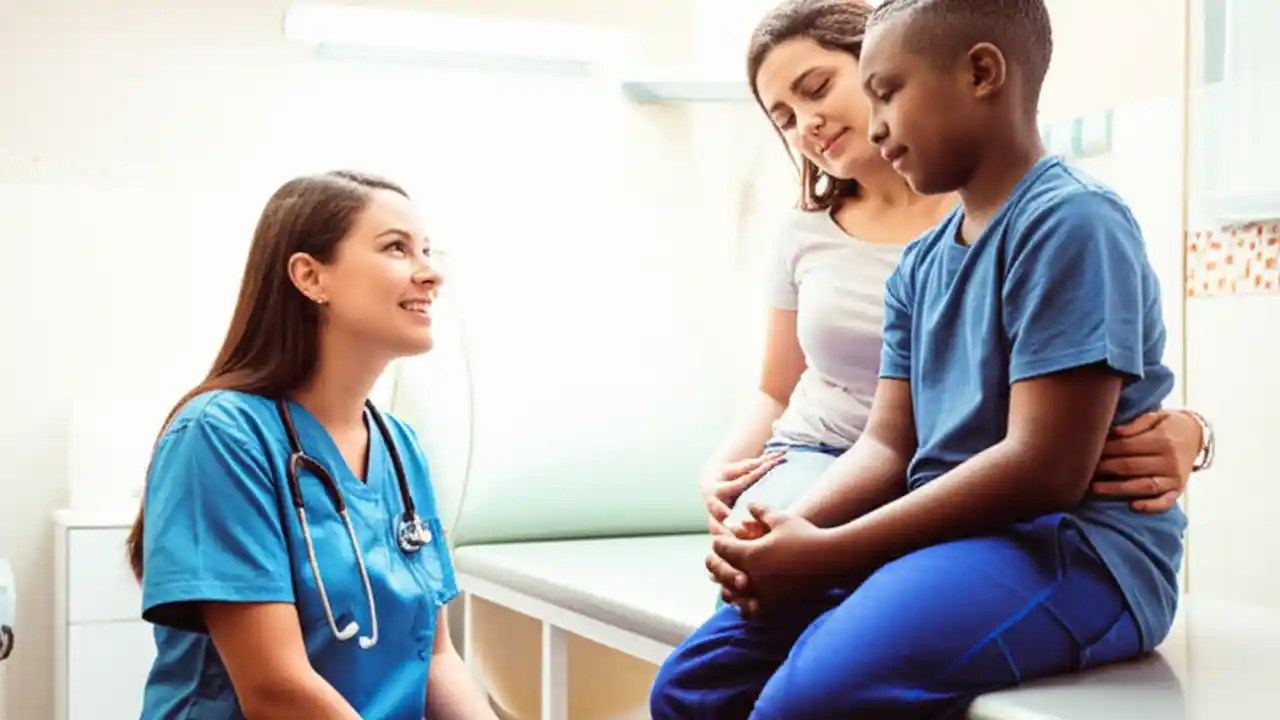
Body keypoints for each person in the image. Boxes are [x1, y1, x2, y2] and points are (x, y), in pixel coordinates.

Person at [653, 1, 1193, 717]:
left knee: (803, 703)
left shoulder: (1074, 222)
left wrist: (828, 554)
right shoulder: (920, 268)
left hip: (1077, 553)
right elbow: (886, 444)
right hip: (950, 535)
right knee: (692, 688)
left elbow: (1045, 469)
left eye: (887, 93)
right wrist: (793, 532)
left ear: (981, 73)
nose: (876, 126)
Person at [125, 171, 498, 719]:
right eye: (396, 248)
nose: (431, 273)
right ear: (309, 276)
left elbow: (438, 658)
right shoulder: (220, 435)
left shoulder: (399, 447)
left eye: (426, 250)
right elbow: (276, 689)